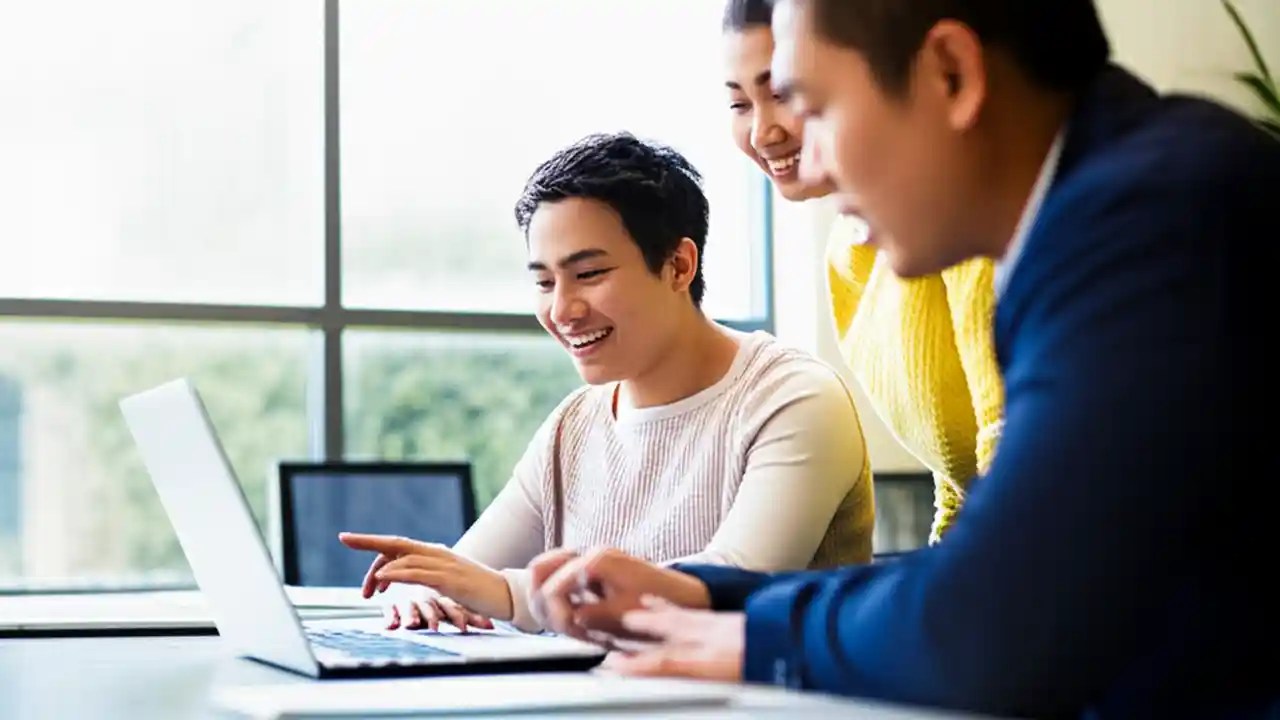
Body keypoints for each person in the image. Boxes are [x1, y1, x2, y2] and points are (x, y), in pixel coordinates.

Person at [529, 1, 1276, 716]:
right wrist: (715, 599)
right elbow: (1001, 566)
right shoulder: (1102, 209)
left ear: (950, 73)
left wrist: (752, 637)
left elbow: (999, 621)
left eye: (814, 108)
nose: (807, 157)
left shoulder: (1152, 220)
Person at [339, 131, 875, 635]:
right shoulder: (574, 424)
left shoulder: (795, 399)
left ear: (678, 266)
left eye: (589, 274)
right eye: (545, 282)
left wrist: (508, 594)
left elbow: (730, 586)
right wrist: (418, 592)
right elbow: (464, 572)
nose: (563, 309)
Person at [723, 0, 1003, 543]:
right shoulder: (848, 254)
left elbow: (1014, 472)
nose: (762, 132)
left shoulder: (967, 221)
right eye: (739, 103)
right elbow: (959, 485)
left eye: (784, 93)